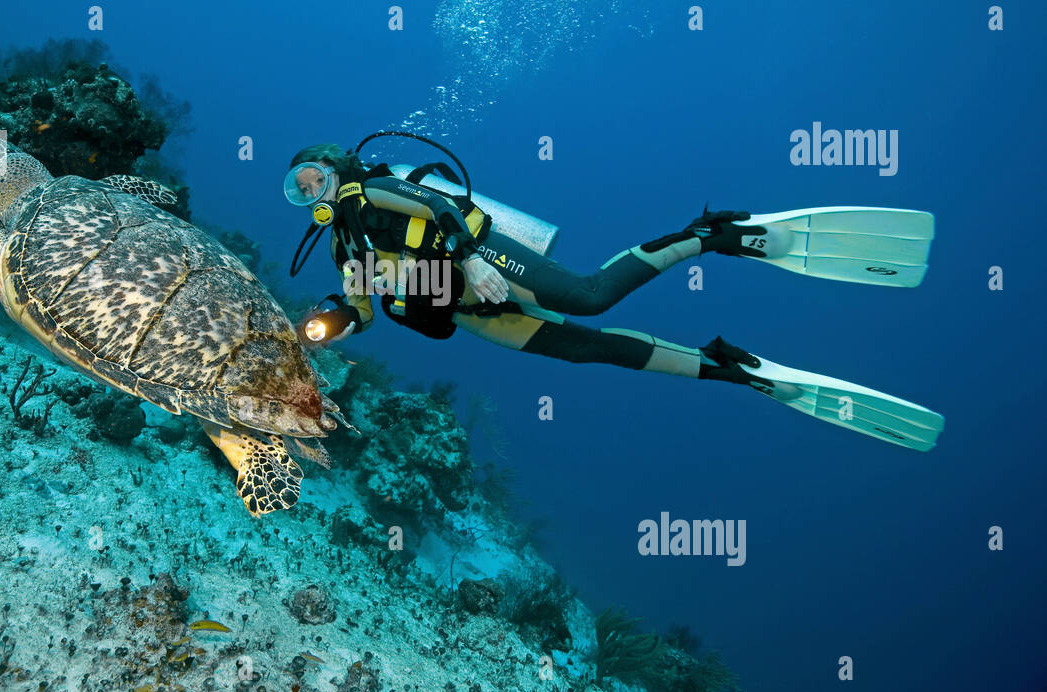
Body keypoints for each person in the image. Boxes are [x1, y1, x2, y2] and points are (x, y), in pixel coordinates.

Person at [283, 141, 944, 451]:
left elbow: (434, 204)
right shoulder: (344, 250)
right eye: (297, 190)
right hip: (470, 310)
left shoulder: (369, 191)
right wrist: (335, 320)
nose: (309, 193)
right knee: (584, 350)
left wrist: (468, 259)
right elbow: (367, 313)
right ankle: (729, 367)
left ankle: (708, 235)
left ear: (336, 167)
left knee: (590, 296)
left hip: (483, 264)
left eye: (312, 177)